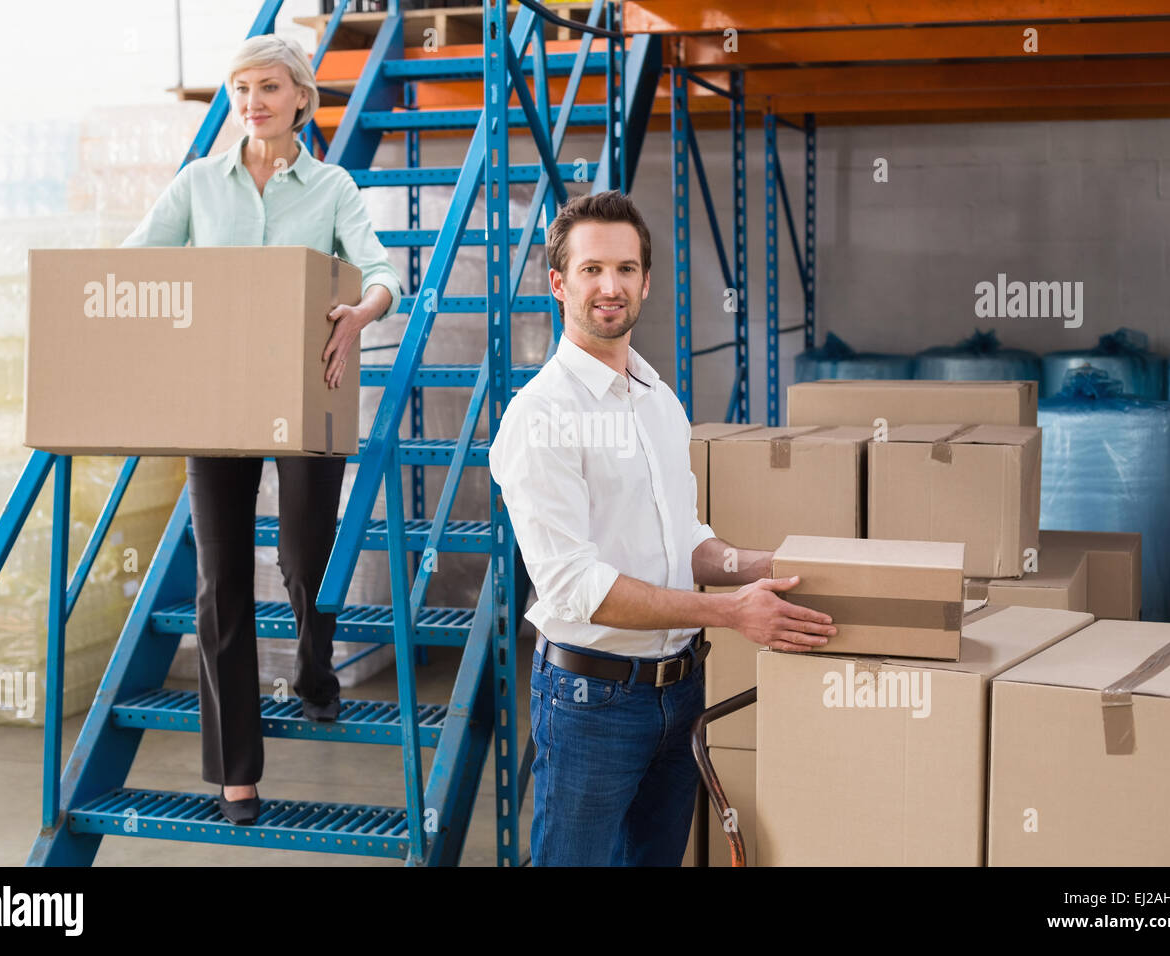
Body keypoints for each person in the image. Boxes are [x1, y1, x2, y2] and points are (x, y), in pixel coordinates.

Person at [488, 191, 837, 866]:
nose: (609, 286)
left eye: (624, 269)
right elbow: (576, 588)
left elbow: (685, 540)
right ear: (558, 283)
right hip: (593, 701)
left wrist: (763, 567)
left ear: (646, 282)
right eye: (591, 270)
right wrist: (733, 612)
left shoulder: (656, 396)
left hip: (680, 694)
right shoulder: (541, 417)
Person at [121, 35, 403, 824]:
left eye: (270, 86)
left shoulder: (333, 185)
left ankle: (316, 670)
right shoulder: (199, 185)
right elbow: (138, 261)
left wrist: (362, 312)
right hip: (217, 401)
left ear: (302, 97)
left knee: (308, 551)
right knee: (220, 582)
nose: (253, 100)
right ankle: (234, 770)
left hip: (305, 389)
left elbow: (382, 272)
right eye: (241, 87)